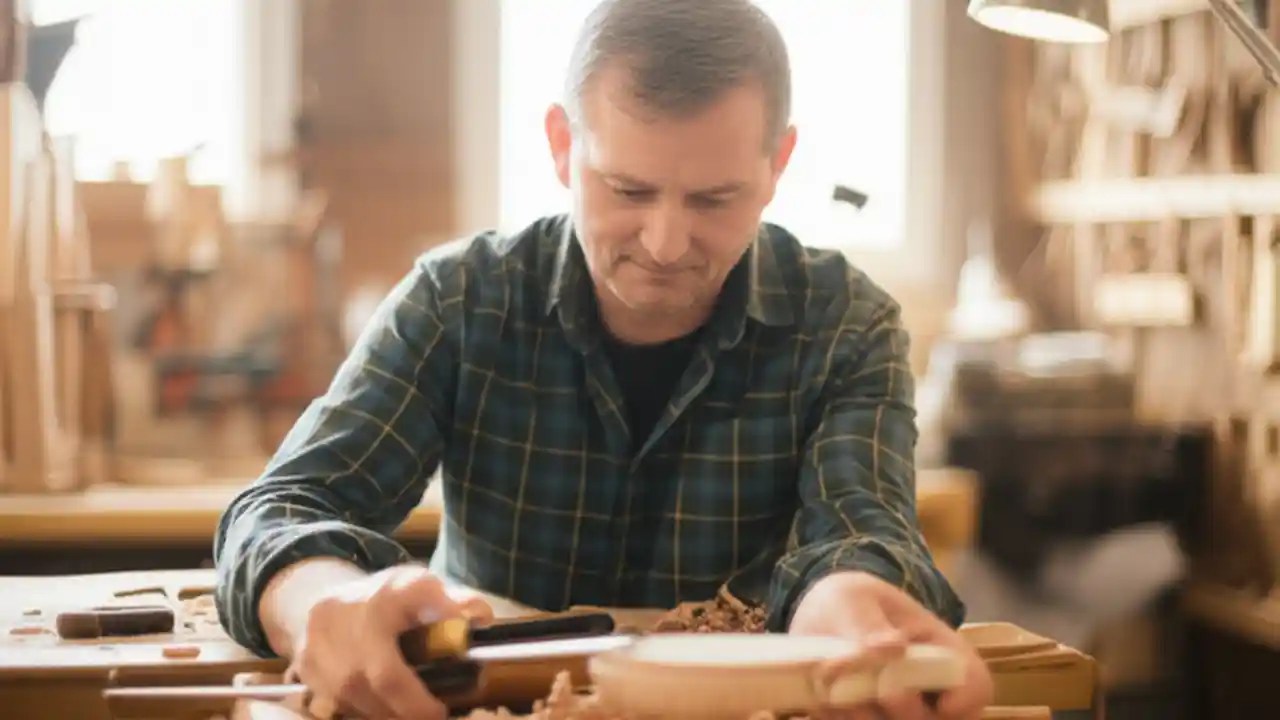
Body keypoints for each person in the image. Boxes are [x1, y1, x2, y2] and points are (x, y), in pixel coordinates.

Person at [214, 0, 994, 717]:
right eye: (628, 190)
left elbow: (866, 531)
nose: (664, 244)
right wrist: (317, 598)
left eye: (713, 200)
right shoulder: (457, 301)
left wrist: (845, 599)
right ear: (562, 146)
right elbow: (283, 510)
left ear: (776, 167)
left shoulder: (847, 324)